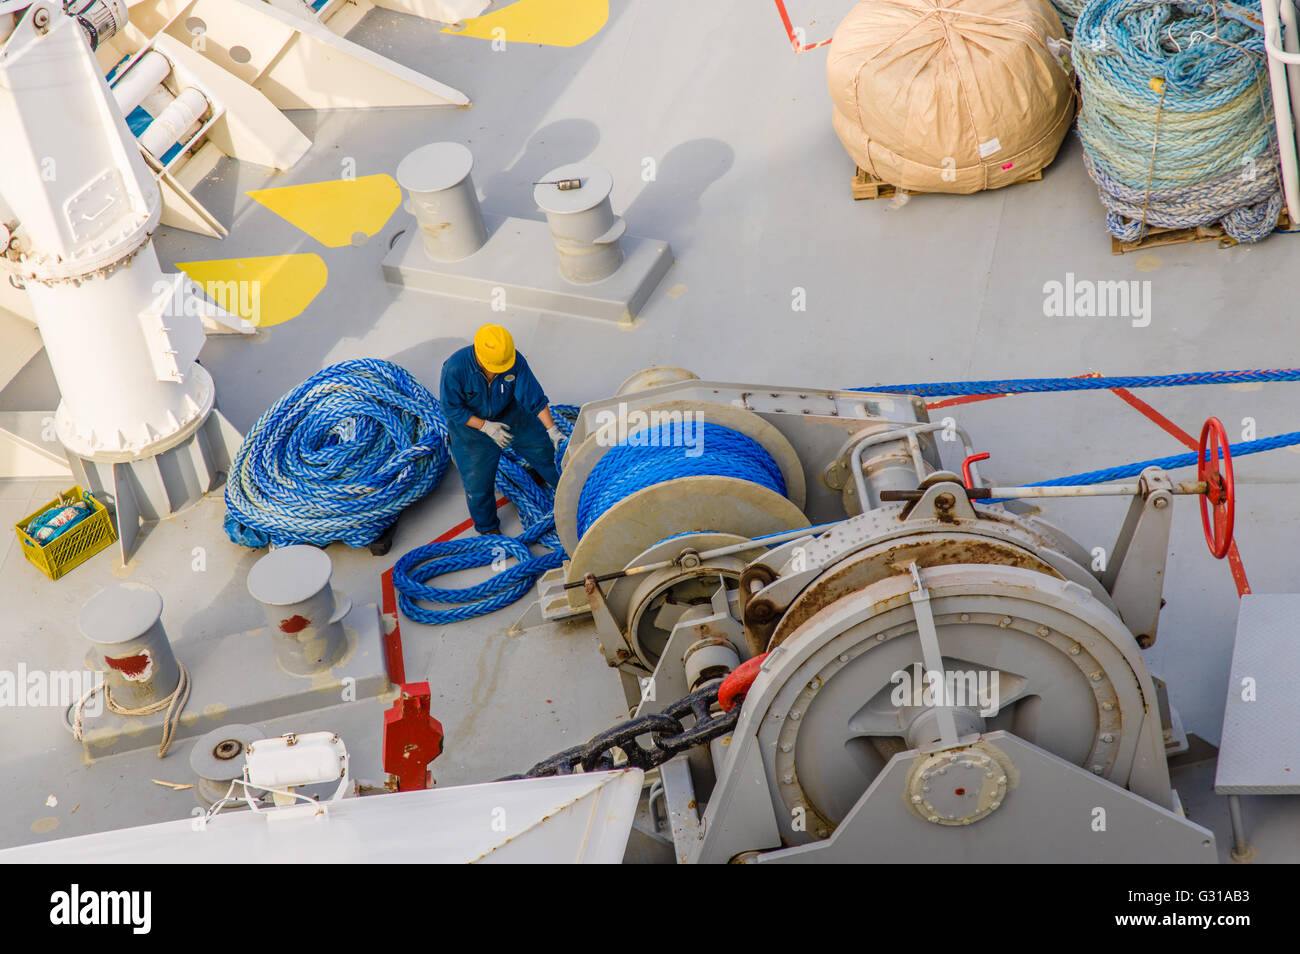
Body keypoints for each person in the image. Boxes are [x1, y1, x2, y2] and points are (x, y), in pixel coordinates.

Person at [439, 324, 564, 535]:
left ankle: (572, 495)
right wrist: (485, 426)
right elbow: (451, 408)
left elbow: (534, 396)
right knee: (477, 485)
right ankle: (488, 529)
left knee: (547, 454)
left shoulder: (514, 361)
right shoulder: (454, 368)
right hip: (471, 431)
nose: (498, 370)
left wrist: (552, 430)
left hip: (512, 414)